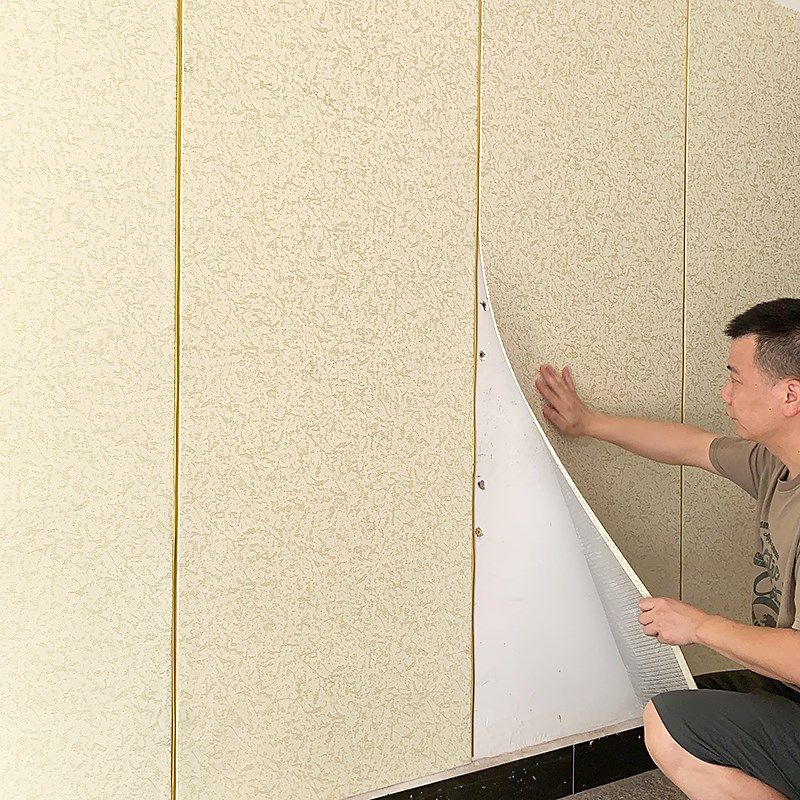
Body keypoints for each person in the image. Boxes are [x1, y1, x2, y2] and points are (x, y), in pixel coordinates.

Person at [533, 298, 800, 800]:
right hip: (789, 692)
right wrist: (588, 422)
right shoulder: (774, 464)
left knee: (671, 726)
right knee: (683, 703)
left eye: (736, 379)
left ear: (790, 395)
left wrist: (698, 626)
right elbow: (690, 445)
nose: (725, 393)